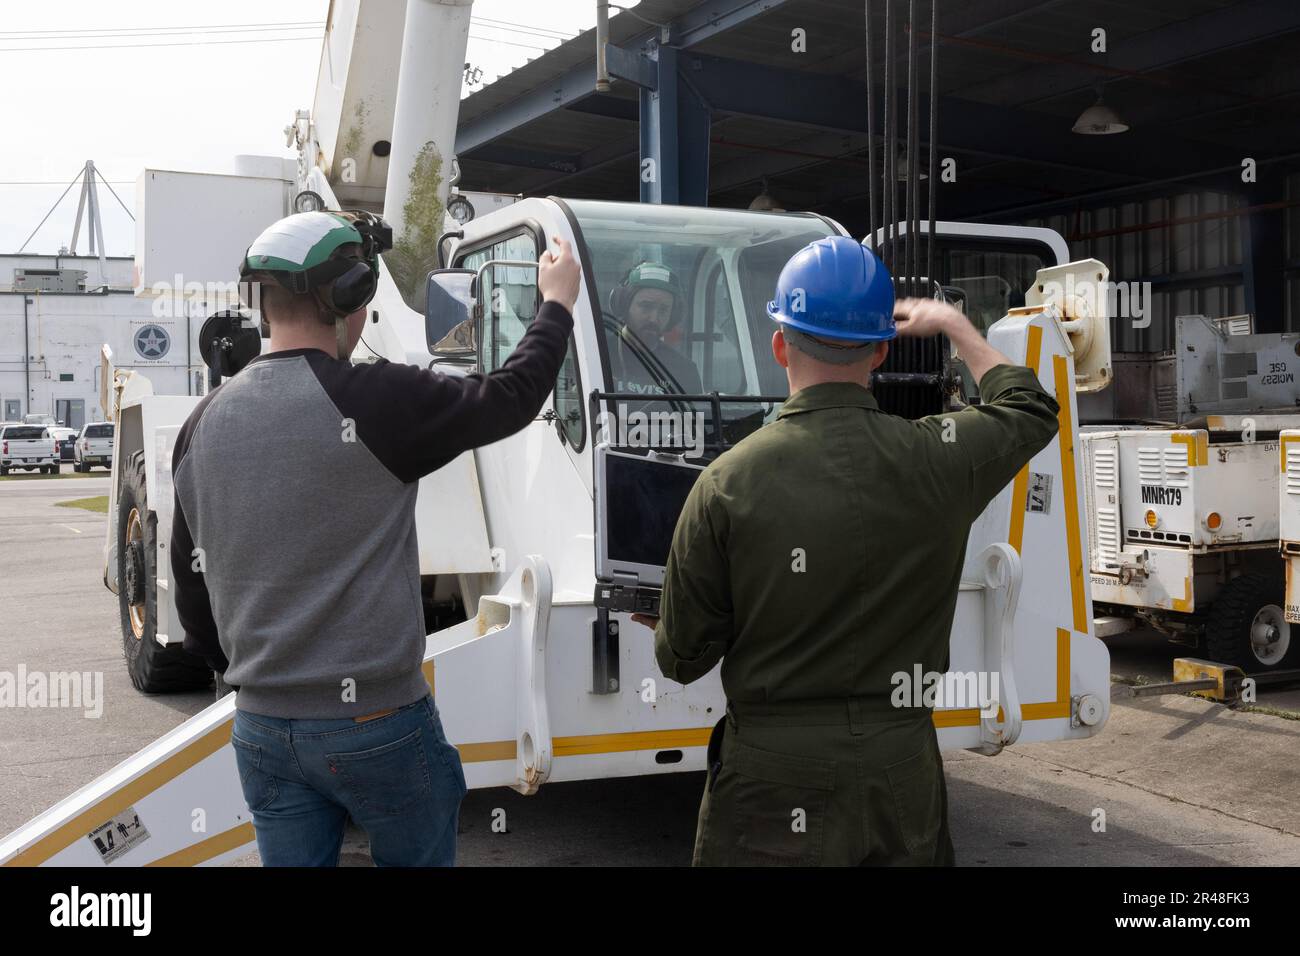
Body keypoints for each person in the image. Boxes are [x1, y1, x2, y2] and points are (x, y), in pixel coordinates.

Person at [169, 209, 581, 866]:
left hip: (262, 730)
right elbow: (514, 396)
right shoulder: (378, 401)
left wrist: (253, 677)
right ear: (352, 298)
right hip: (378, 727)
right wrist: (556, 304)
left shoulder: (199, 427)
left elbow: (193, 594)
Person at [635, 235, 1060, 865]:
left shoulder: (725, 482)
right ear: (882, 351)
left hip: (771, 784)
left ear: (780, 343)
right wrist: (953, 325)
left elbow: (682, 658)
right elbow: (1029, 406)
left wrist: (673, 620)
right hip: (901, 776)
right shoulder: (939, 457)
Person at [608, 261, 702, 397]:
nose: (653, 318)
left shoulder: (685, 370)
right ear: (624, 305)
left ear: (673, 315)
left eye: (663, 310)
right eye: (646, 306)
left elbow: (696, 417)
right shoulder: (597, 355)